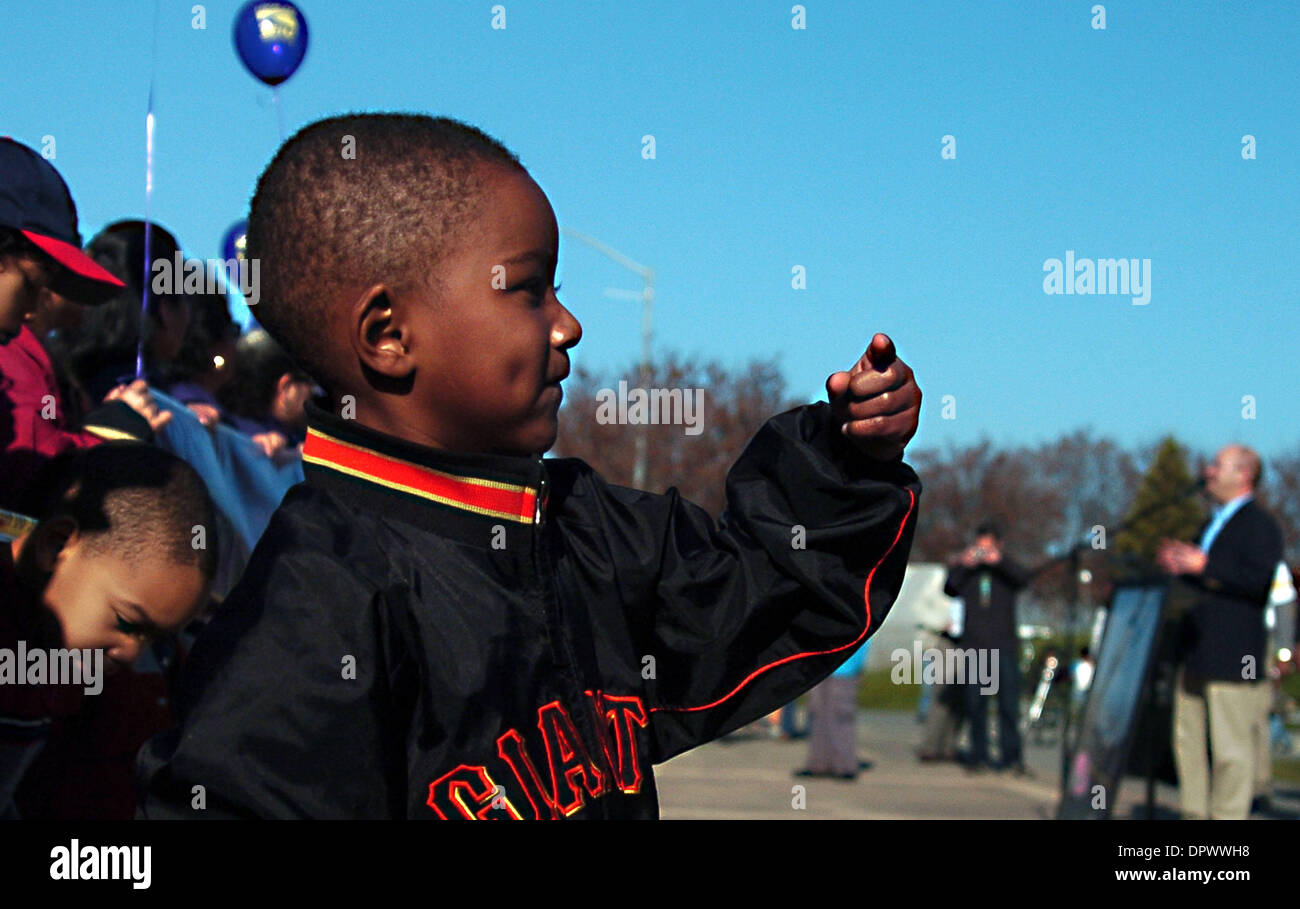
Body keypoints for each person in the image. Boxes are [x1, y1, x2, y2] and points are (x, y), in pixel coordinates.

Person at [136, 113, 923, 819]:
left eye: (560, 290)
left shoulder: (586, 528)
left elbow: (759, 593)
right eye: (529, 290)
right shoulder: (313, 606)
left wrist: (846, 458)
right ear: (388, 335)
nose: (568, 325)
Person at [0, 443, 218, 818]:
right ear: (58, 546)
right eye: (126, 622)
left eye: (154, 638)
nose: (132, 654)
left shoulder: (70, 668)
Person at [0, 139, 171, 511]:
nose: (31, 311)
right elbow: (27, 477)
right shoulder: (14, 352)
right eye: (30, 285)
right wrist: (110, 435)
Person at [1157, 444, 1284, 820]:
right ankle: (1194, 812)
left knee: (1230, 747)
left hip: (1232, 652)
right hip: (1195, 648)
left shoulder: (1260, 525)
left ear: (1243, 474)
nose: (1208, 472)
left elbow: (1256, 579)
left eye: (1217, 465)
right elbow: (1203, 575)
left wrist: (1205, 565)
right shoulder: (1211, 524)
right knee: (1188, 739)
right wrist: (1179, 565)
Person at [943, 521, 1031, 775]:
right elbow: (949, 588)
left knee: (1008, 706)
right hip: (975, 647)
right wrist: (964, 564)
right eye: (980, 548)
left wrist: (999, 562)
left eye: (988, 549)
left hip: (1003, 646)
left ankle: (1010, 756)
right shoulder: (969, 572)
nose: (983, 554)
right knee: (976, 705)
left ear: (998, 546)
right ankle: (978, 754)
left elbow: (1023, 578)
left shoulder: (1005, 571)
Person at [796, 639, 871, 780]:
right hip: (818, 663)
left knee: (841, 715)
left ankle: (844, 764)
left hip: (845, 666)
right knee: (817, 713)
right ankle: (818, 763)